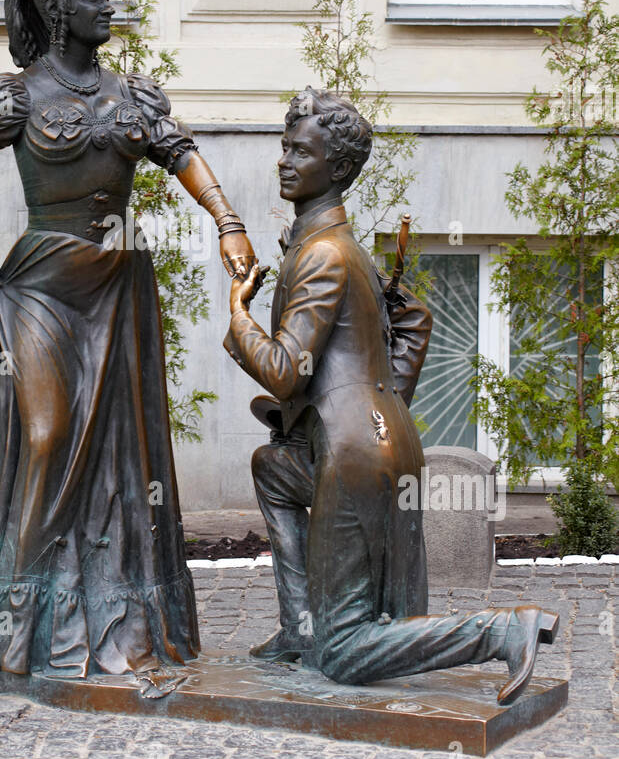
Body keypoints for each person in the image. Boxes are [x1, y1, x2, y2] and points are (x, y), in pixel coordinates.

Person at [0, 0, 257, 681]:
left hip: (114, 287)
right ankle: (17, 614)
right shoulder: (15, 97)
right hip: (39, 284)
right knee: (46, 433)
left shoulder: (131, 97)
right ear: (55, 3)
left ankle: (107, 610)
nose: (110, 3)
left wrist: (227, 221)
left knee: (120, 458)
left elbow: (180, 156)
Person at [225, 87, 558, 705]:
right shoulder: (336, 247)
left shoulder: (324, 254)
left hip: (355, 456)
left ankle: (503, 629)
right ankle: (301, 628)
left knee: (348, 652)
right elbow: (415, 321)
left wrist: (239, 311)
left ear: (340, 169)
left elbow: (283, 371)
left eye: (302, 151)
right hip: (382, 441)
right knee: (273, 467)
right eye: (284, 147)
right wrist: (379, 401)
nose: (284, 161)